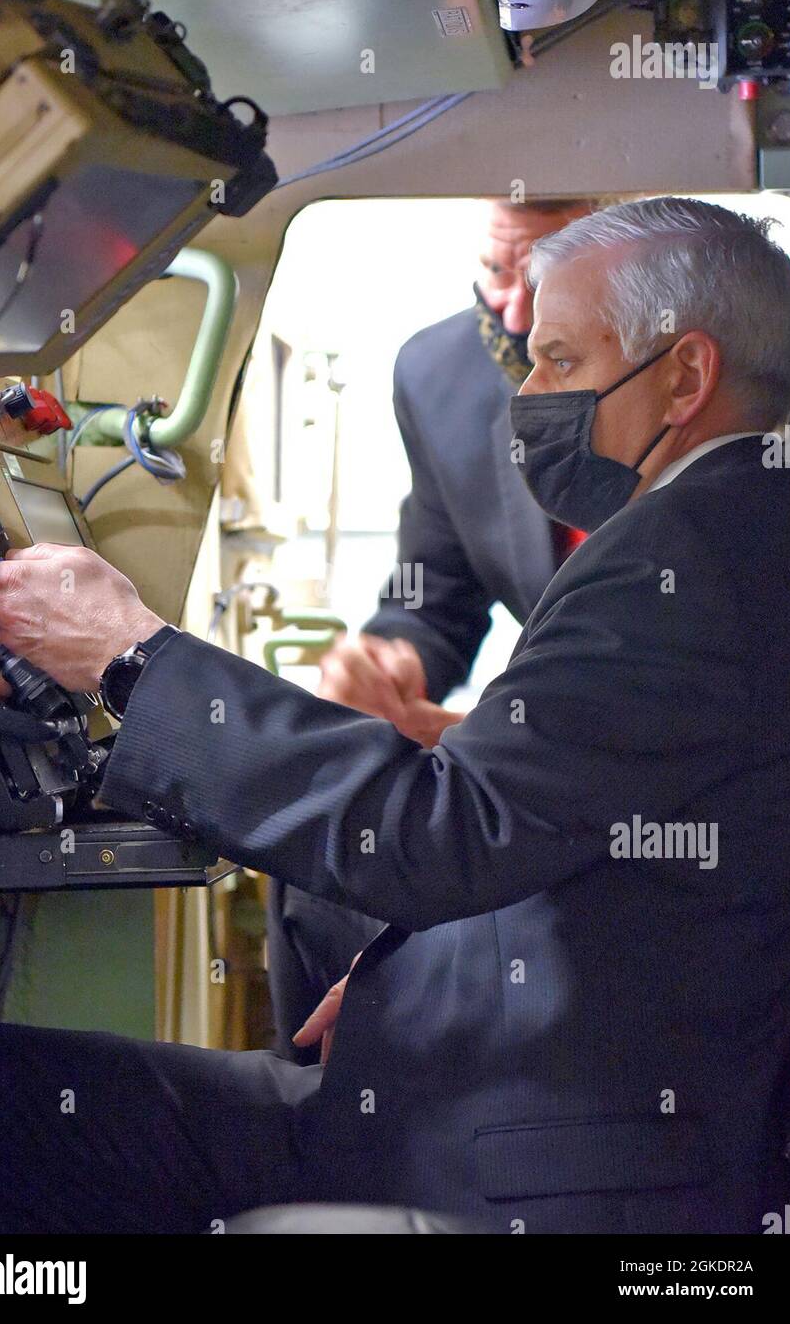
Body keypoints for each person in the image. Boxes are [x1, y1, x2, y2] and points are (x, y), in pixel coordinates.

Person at [0, 196, 790, 1235]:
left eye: (561, 361)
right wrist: (414, 976)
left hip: (544, 1155)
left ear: (686, 375)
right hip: (542, 1085)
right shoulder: (739, 524)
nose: (526, 394)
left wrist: (129, 653)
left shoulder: (689, 559)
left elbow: (440, 835)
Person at [269, 199, 592, 1062]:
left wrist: (480, 732)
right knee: (321, 851)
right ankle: (343, 1127)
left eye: (544, 279)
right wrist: (389, 665)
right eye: (496, 274)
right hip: (537, 761)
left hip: (660, 795)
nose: (515, 316)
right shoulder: (439, 373)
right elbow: (435, 589)